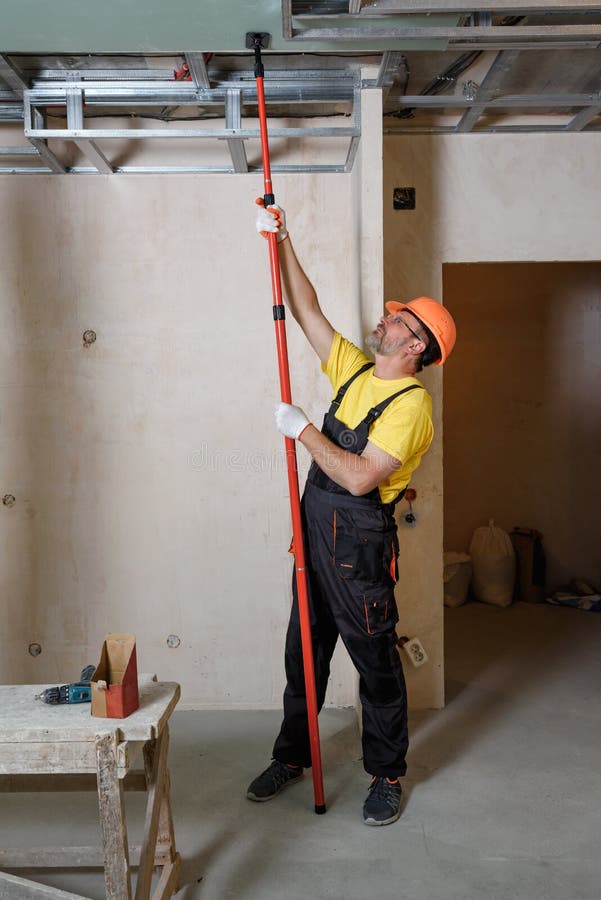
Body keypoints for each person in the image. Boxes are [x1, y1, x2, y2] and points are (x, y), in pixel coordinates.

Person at [247, 200, 456, 825]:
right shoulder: (357, 370)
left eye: (397, 320)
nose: (386, 320)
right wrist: (281, 240)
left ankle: (387, 774)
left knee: (376, 666)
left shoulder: (411, 404)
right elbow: (307, 310)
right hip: (315, 534)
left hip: (360, 548)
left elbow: (362, 475)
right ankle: (294, 755)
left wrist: (303, 430)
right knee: (302, 655)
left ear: (415, 343)